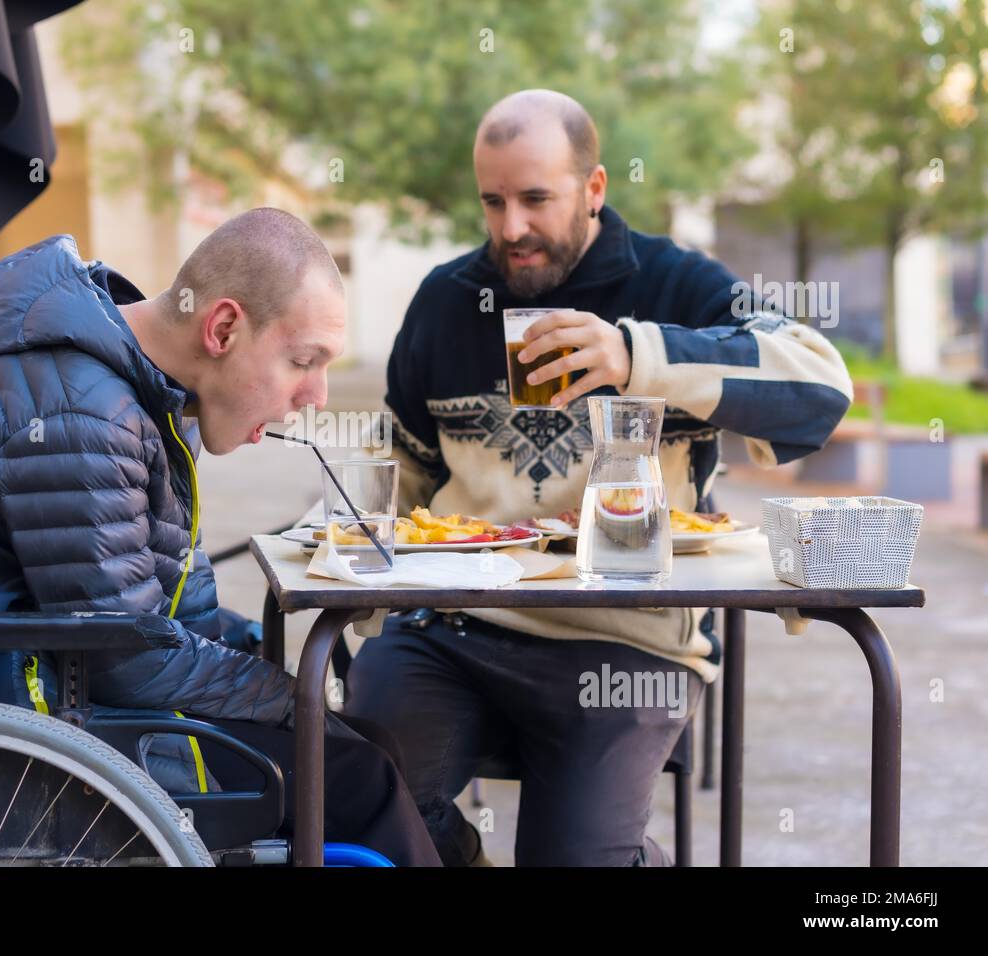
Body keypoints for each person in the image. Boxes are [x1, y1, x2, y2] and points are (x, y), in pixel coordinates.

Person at [345, 90, 853, 866]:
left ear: (594, 190)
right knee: (353, 792)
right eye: (493, 201)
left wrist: (636, 357)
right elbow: (404, 478)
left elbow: (821, 390)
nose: (512, 228)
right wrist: (370, 604)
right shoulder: (447, 301)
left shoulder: (674, 284)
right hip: (456, 632)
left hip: (627, 640)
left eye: (536, 199)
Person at [0, 208, 440, 866]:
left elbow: (168, 606)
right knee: (361, 777)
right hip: (30, 725)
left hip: (69, 689)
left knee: (366, 748)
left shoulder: (140, 393)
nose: (318, 396)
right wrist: (289, 695)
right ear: (223, 328)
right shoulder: (80, 408)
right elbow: (124, 656)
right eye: (304, 361)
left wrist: (273, 675)